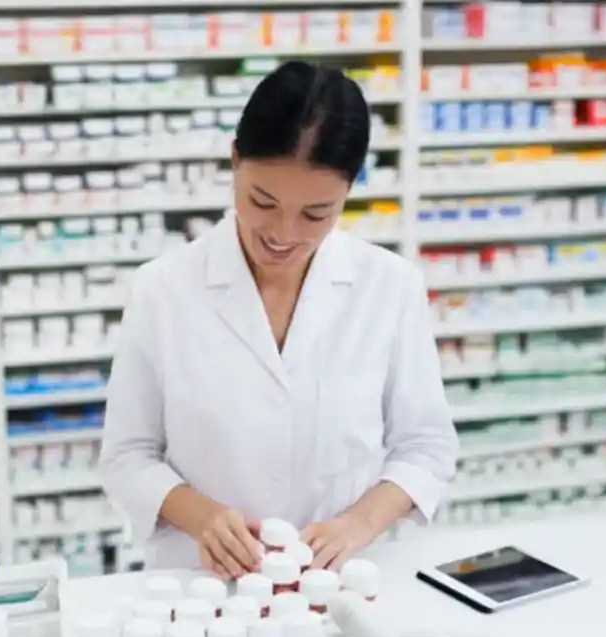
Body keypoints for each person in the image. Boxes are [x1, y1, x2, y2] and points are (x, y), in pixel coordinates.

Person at [99, 61, 458, 577]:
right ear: (234, 161)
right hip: (204, 590)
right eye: (261, 201)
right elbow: (127, 456)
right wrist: (203, 519)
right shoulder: (163, 288)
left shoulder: (389, 285)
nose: (283, 234)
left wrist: (359, 523)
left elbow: (426, 446)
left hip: (345, 580)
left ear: (349, 190)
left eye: (316, 214)